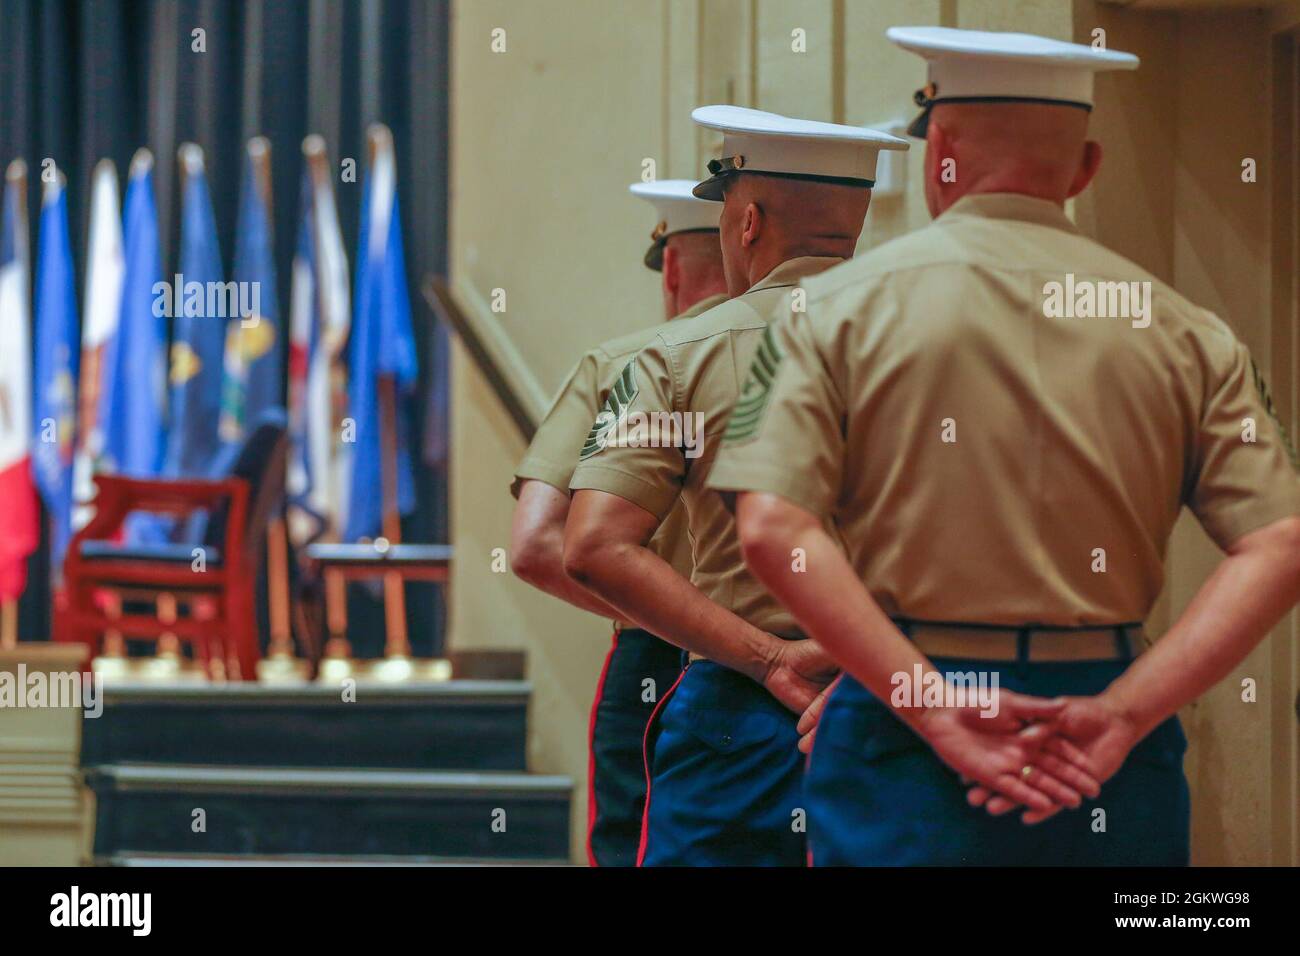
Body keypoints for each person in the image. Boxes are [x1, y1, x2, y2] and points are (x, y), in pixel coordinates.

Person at [709, 26, 1300, 866]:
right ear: (1085, 168)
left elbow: (772, 528)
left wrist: (930, 704)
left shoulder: (829, 312)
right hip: (1104, 722)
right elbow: (1279, 542)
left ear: (937, 151)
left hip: (902, 701)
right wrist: (1131, 709)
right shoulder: (1187, 329)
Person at [563, 106, 916, 865]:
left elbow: (592, 546)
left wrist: (769, 658)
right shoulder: (942, 343)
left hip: (740, 715)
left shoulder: (674, 357)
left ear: (748, 221)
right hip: (903, 706)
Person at [510, 179, 727, 866]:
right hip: (822, 656)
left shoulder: (621, 363)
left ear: (670, 266)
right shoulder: (826, 350)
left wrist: (673, 615)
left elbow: (535, 545)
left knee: (637, 843)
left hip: (659, 661)